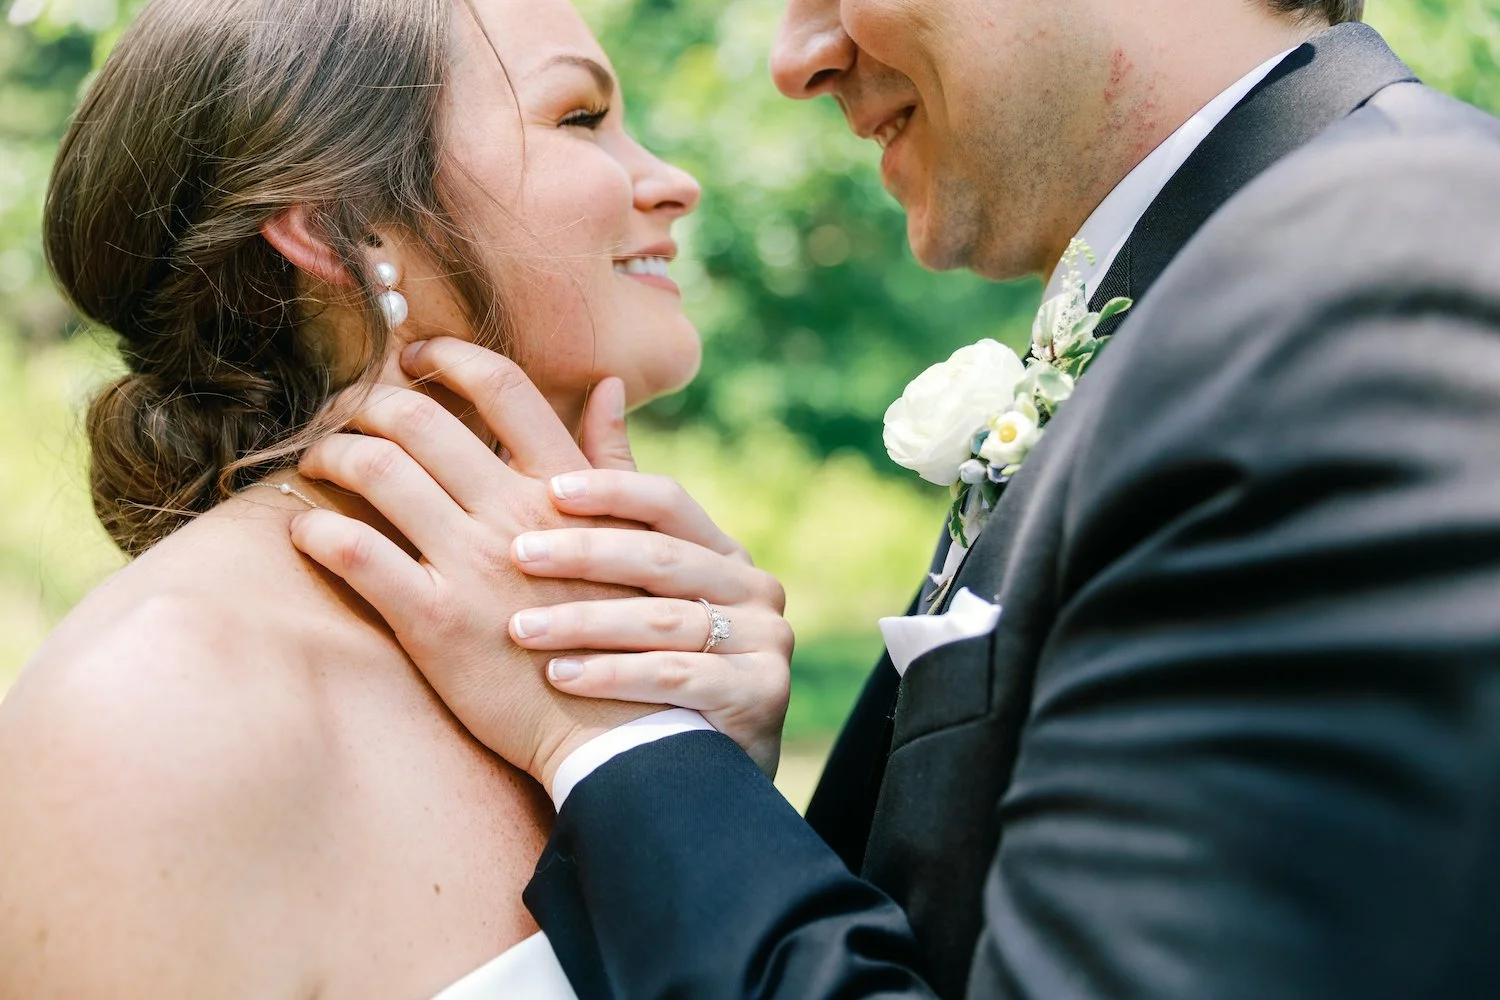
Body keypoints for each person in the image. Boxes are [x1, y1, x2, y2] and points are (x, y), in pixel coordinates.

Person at [298, 0, 1500, 996]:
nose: (796, 57)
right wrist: (716, 783)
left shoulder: (1371, 269)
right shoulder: (1241, 277)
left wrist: (625, 751)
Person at [0, 0, 794, 997]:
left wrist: (704, 773)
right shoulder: (157, 704)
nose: (674, 183)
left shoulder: (622, 642)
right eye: (581, 118)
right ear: (338, 223)